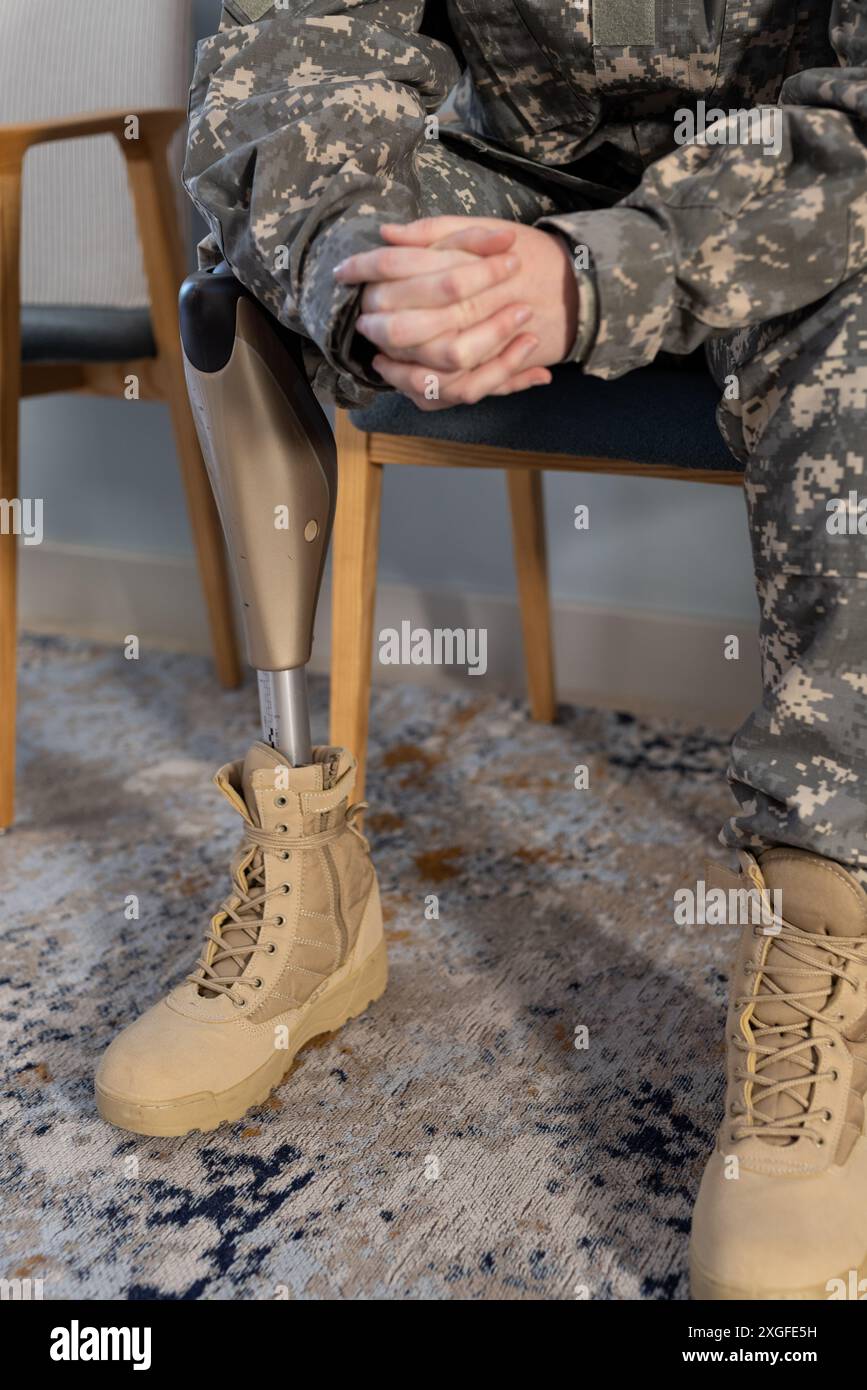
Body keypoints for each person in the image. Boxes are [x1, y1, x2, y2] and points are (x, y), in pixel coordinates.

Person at [99, 1, 867, 1300]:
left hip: (776, 184)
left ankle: (828, 926)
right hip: (512, 179)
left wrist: (604, 272)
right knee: (248, 268)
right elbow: (295, 48)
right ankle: (313, 872)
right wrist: (367, 266)